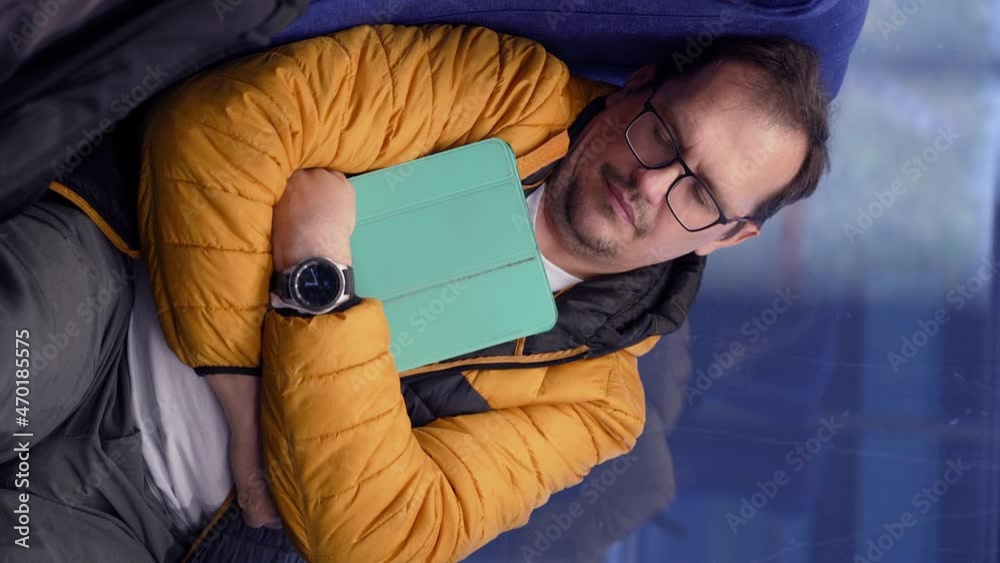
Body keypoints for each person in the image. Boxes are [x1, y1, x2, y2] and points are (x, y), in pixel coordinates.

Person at [0, 23, 829, 562]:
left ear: (728, 237)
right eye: (665, 136)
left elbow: (386, 533)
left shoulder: (598, 406)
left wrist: (318, 273)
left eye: (701, 195)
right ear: (639, 83)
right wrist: (245, 406)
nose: (651, 187)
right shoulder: (508, 88)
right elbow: (222, 127)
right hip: (107, 289)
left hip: (144, 522)